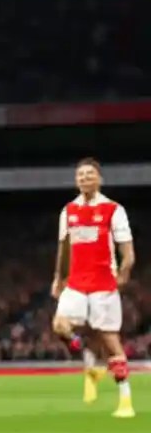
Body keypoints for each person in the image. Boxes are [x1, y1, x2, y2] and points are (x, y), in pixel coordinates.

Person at [50, 158, 135, 417]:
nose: (85, 178)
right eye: (81, 175)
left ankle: (125, 399)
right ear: (76, 180)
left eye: (90, 174)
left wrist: (125, 272)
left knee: (110, 339)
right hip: (76, 282)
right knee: (60, 326)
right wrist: (58, 277)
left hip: (102, 283)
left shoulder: (113, 210)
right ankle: (85, 353)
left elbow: (127, 250)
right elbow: (64, 249)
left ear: (99, 179)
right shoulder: (69, 211)